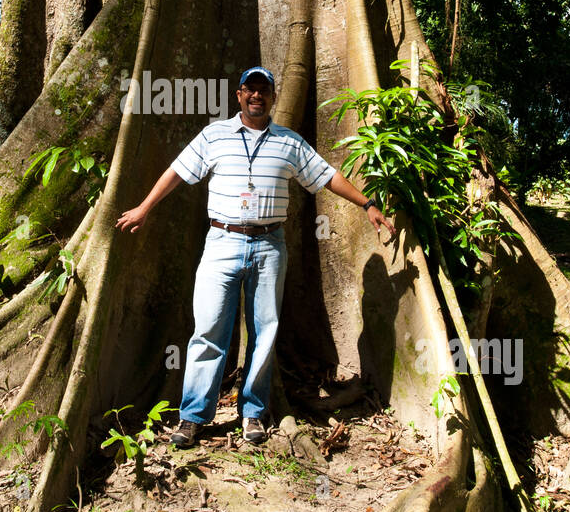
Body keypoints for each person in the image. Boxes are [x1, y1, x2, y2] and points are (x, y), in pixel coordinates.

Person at [115, 67, 396, 448]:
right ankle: (193, 417)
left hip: (268, 245)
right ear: (239, 95)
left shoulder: (289, 142)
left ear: (273, 96)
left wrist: (367, 204)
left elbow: (326, 175)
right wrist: (145, 208)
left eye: (264, 90)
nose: (256, 96)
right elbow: (178, 171)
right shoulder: (214, 135)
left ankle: (252, 414)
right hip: (222, 241)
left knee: (265, 332)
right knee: (209, 330)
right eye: (250, 89)